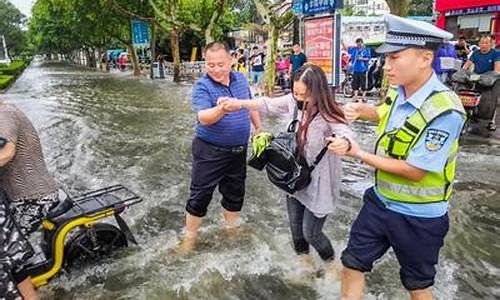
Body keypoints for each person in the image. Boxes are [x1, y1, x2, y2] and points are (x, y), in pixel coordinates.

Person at [328, 14, 466, 300]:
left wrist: (358, 153)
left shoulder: (445, 110)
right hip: (379, 202)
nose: (386, 66)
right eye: (386, 58)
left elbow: (415, 170)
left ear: (425, 58)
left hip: (419, 217)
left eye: (395, 58)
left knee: (417, 286)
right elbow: (384, 111)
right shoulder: (398, 90)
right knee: (352, 263)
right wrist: (361, 109)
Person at [217, 64, 353, 275]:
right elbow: (266, 104)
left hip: (320, 183)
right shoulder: (293, 102)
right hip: (294, 177)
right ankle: (305, 264)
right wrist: (238, 103)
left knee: (311, 233)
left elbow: (345, 132)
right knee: (295, 228)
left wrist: (346, 144)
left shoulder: (329, 115)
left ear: (318, 92)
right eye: (295, 93)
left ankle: (333, 265)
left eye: (305, 95)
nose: (299, 99)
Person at [180, 42, 261, 252]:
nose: (216, 69)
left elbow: (250, 105)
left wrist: (258, 128)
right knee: (200, 195)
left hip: (238, 151)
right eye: (211, 65)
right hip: (209, 150)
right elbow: (203, 118)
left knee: (235, 193)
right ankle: (190, 237)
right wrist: (223, 109)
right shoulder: (202, 86)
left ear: (231, 60)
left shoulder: (241, 79)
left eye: (221, 64)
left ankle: (231, 228)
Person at [0, 102, 61, 299]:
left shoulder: (4, 115)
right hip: (19, 197)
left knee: (9, 252)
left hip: (33, 198)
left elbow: (7, 152)